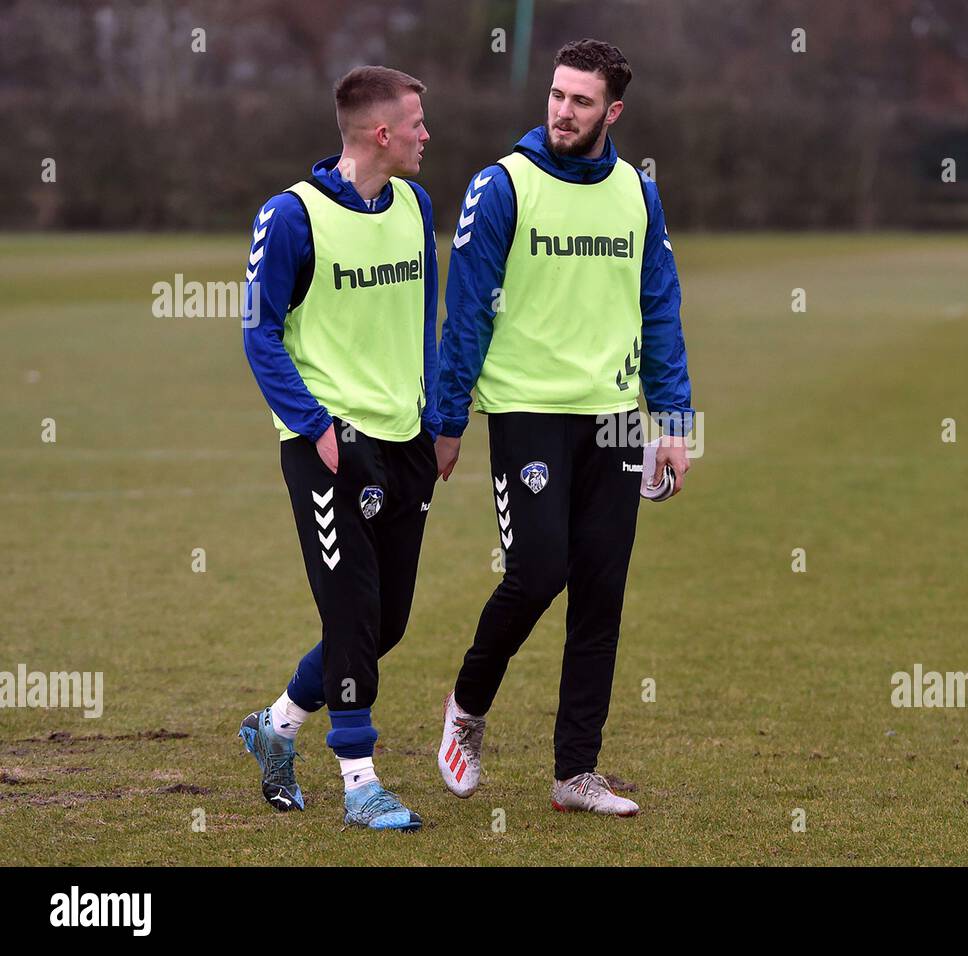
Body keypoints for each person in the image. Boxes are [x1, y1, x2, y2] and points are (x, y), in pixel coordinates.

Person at [433, 39, 695, 816]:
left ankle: (576, 772)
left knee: (602, 595)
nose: (562, 110)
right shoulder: (503, 185)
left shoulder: (637, 195)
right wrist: (448, 419)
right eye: (556, 94)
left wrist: (674, 421)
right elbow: (467, 311)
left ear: (613, 111)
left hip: (613, 420)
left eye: (582, 101)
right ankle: (467, 708)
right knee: (539, 570)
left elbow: (661, 309)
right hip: (527, 416)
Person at [239, 65, 442, 832]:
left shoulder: (416, 204)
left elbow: (422, 318)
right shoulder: (290, 217)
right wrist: (317, 425)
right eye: (417, 122)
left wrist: (434, 416)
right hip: (327, 444)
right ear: (382, 133)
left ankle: (275, 728)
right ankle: (361, 781)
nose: (428, 135)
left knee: (385, 624)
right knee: (352, 611)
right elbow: (259, 333)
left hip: (406, 440)